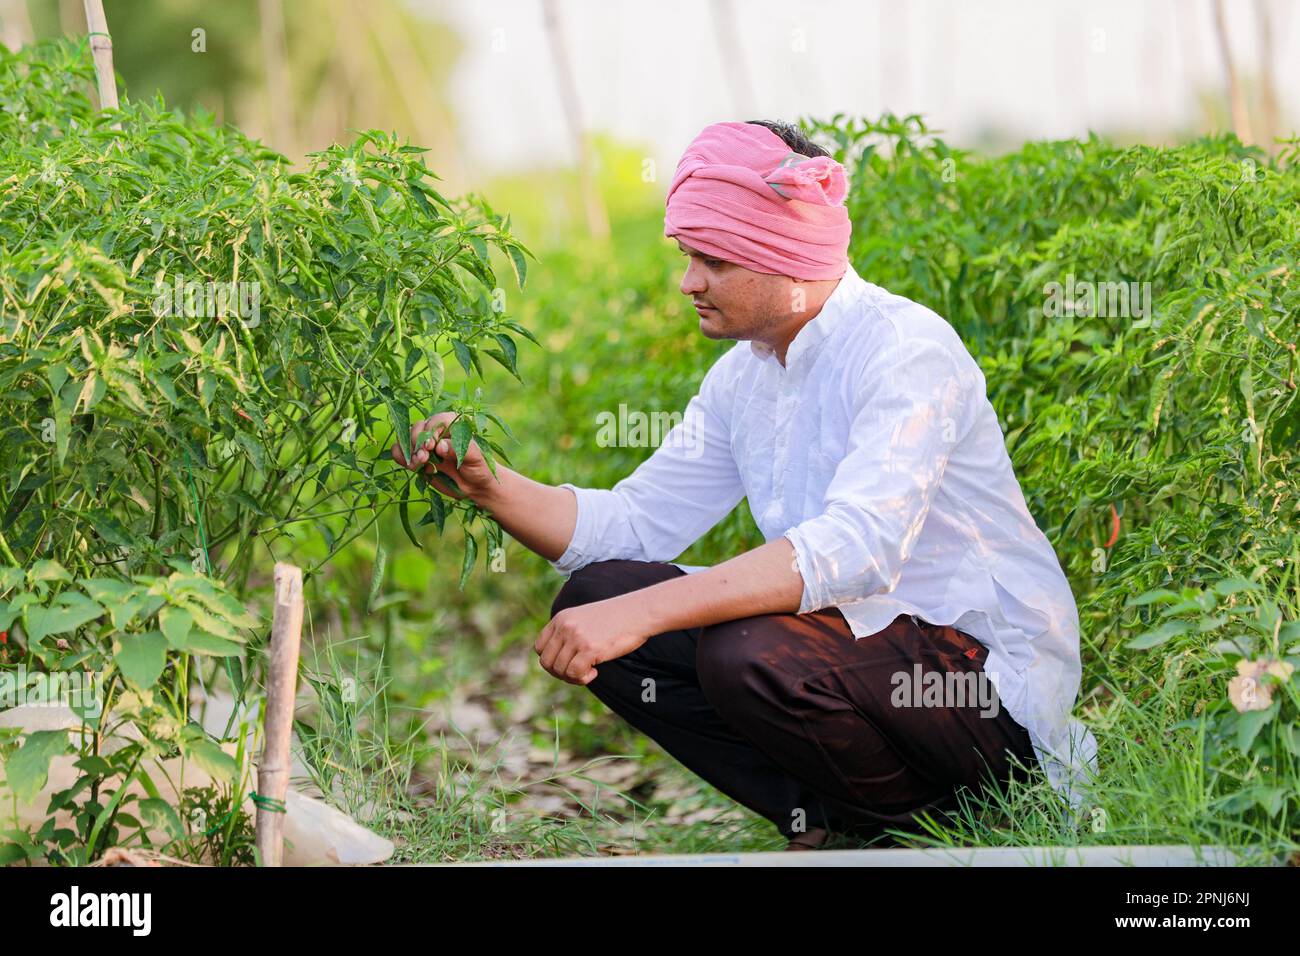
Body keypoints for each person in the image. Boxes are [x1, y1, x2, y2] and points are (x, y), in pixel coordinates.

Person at [393, 119, 1098, 850]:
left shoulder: (905, 351)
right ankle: (837, 820)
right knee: (598, 597)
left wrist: (652, 610)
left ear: (785, 256)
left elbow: (857, 549)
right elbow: (634, 525)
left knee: (742, 650)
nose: (688, 281)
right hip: (859, 660)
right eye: (688, 256)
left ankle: (936, 828)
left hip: (983, 690)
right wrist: (489, 484)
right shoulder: (748, 373)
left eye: (714, 261)